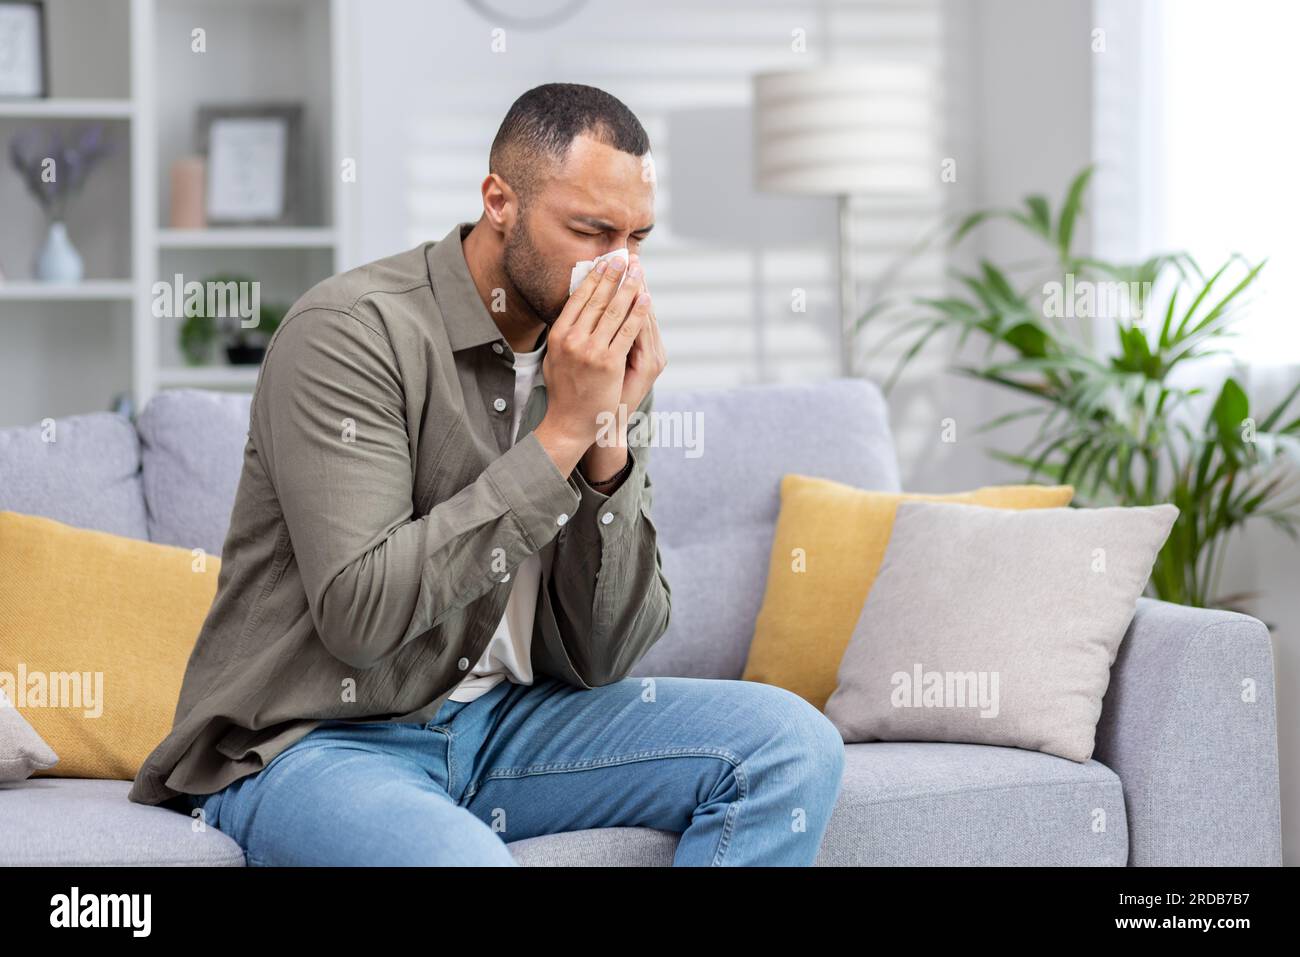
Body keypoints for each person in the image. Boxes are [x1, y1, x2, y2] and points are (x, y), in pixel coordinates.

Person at [129, 82, 845, 866]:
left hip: (507, 725)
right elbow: (360, 618)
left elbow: (606, 657)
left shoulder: (602, 357)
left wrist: (606, 444)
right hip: (315, 738)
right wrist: (563, 430)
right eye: (590, 230)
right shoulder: (350, 333)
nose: (620, 269)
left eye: (638, 237)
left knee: (790, 743)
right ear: (499, 201)